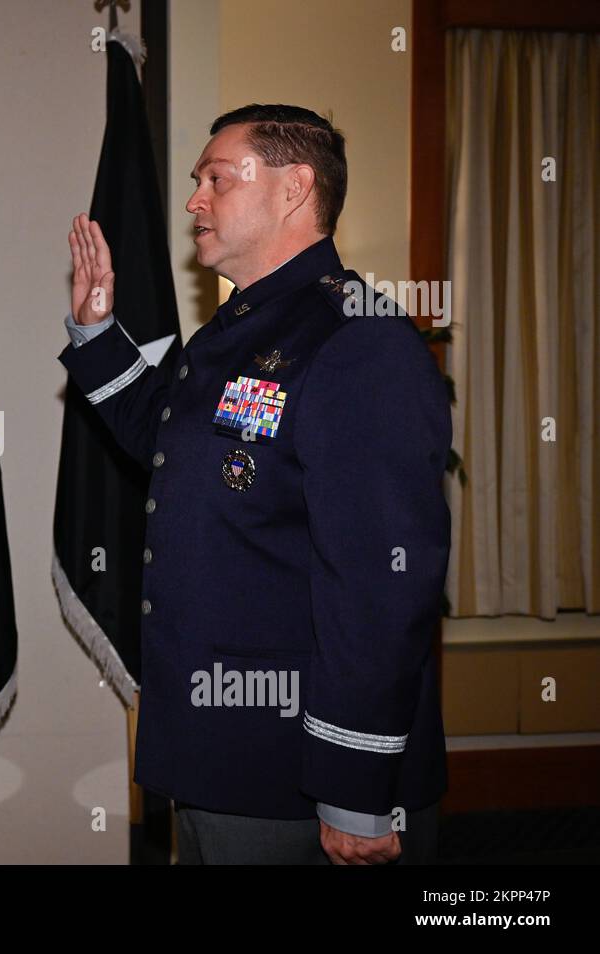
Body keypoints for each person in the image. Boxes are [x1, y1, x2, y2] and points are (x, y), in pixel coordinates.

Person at [59, 104, 450, 864]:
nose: (193, 200)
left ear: (294, 187)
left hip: (297, 773)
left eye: (216, 179)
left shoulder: (357, 339)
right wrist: (95, 331)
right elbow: (170, 445)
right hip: (216, 749)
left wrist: (354, 783)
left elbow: (380, 585)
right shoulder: (245, 327)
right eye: (196, 181)